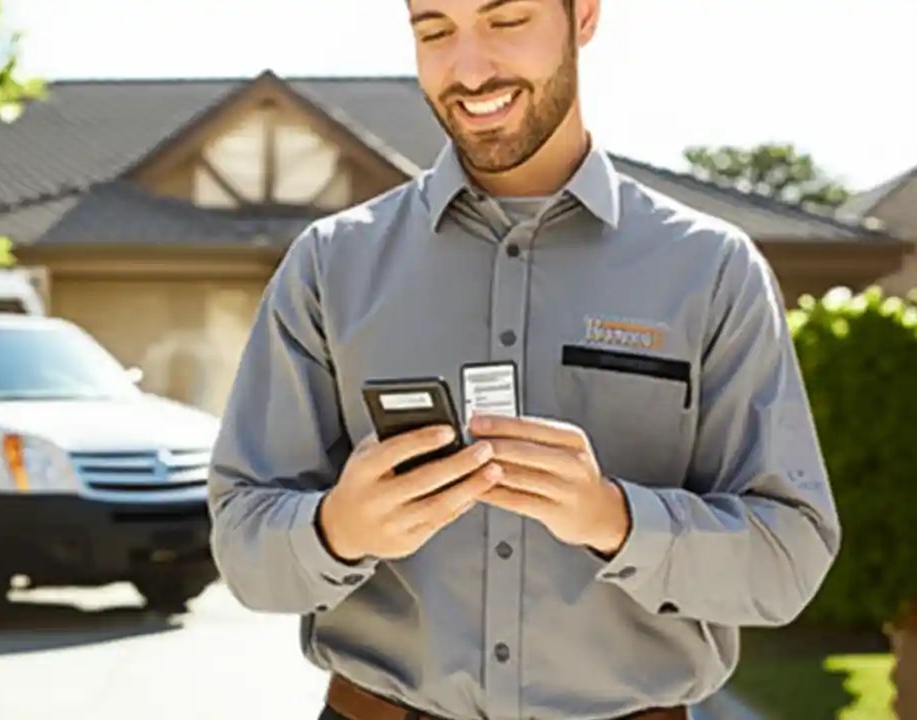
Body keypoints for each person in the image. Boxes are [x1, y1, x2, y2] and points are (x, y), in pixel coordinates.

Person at [205, 0, 841, 718]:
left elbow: (788, 561)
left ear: (585, 17)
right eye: (435, 30)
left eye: (506, 21)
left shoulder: (711, 270)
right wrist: (338, 531)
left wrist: (616, 519)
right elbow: (243, 543)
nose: (470, 70)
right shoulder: (329, 266)